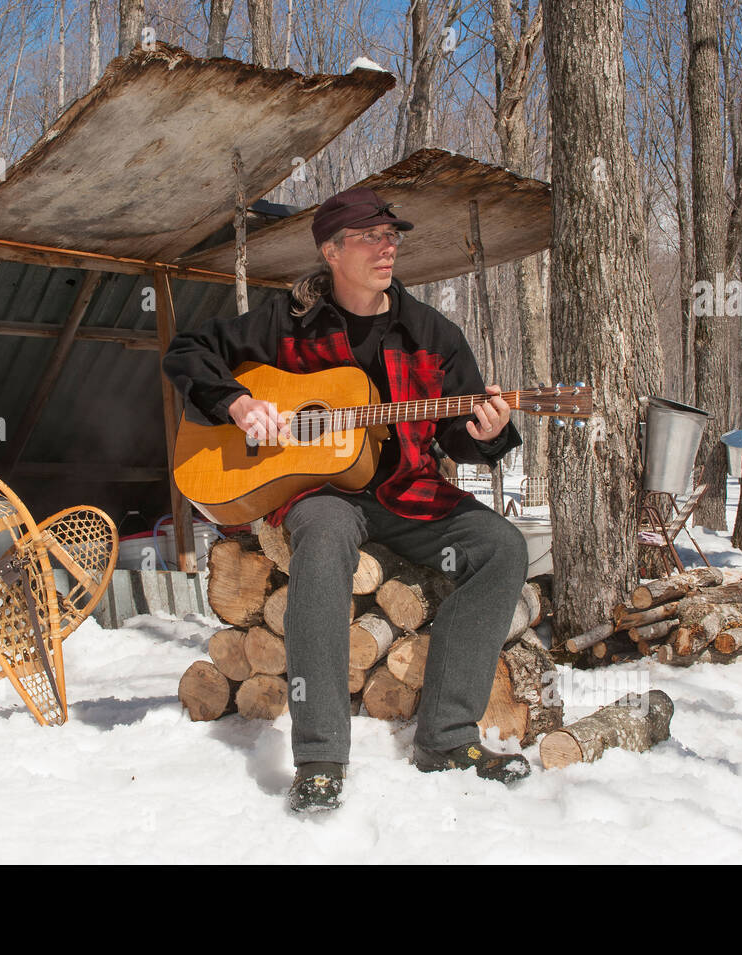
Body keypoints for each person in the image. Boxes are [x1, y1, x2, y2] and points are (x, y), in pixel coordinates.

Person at [162, 186, 530, 813]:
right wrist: (237, 402)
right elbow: (186, 352)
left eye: (393, 237)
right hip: (317, 490)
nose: (389, 248)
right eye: (372, 237)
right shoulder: (283, 322)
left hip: (406, 488)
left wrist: (486, 434)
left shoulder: (431, 333)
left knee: (501, 546)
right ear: (331, 251)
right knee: (326, 534)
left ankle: (446, 738)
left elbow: (457, 430)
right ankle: (321, 756)